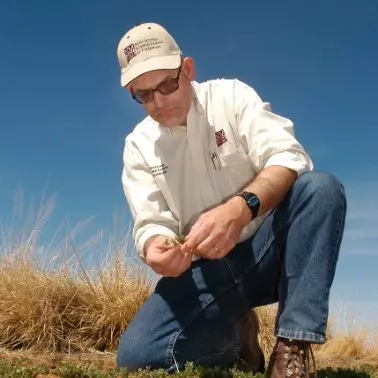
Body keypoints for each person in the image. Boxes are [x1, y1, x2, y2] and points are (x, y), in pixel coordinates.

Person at [115, 22, 347, 378]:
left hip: (271, 252)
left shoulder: (231, 96)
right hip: (205, 273)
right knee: (138, 355)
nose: (159, 102)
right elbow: (151, 221)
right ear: (133, 92)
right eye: (144, 95)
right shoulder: (138, 145)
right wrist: (155, 247)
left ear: (187, 69)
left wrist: (241, 209)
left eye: (167, 84)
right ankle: (240, 341)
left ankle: (291, 348)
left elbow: (289, 157)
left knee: (320, 190)